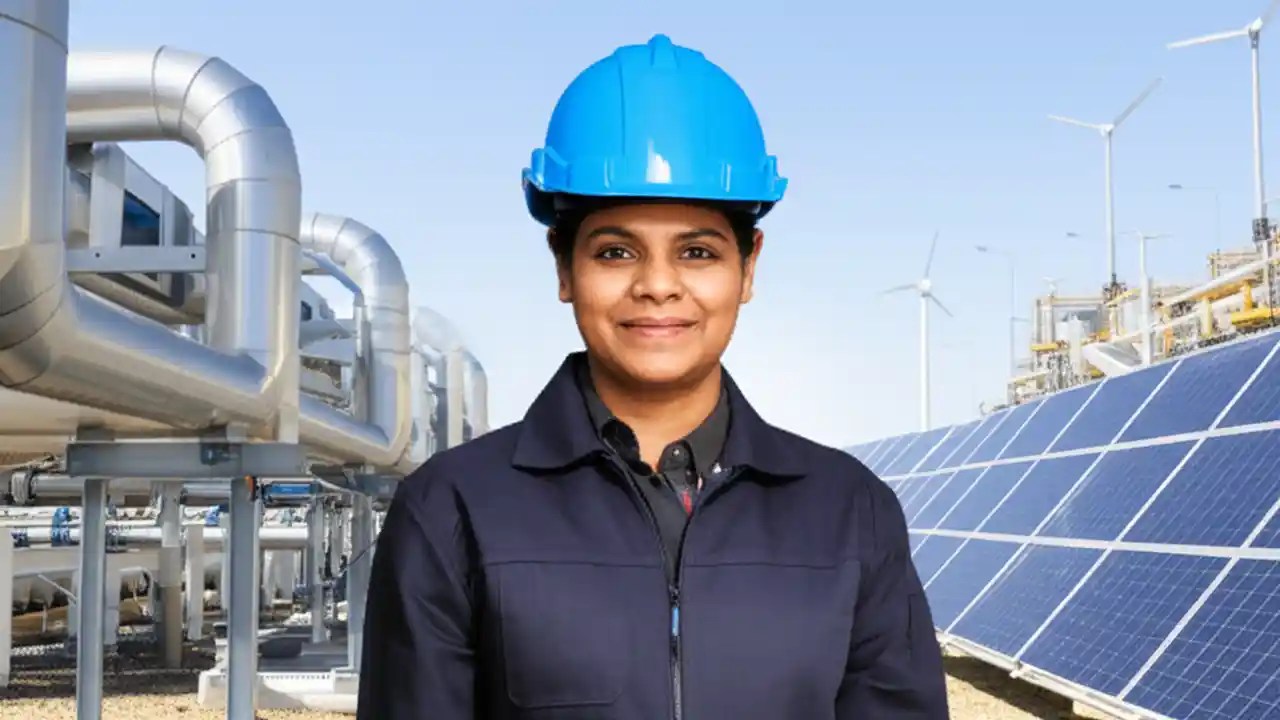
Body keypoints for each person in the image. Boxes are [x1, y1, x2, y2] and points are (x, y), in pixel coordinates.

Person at [357, 34, 950, 719]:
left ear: (748, 267)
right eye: (616, 251)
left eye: (696, 251)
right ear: (563, 267)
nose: (658, 286)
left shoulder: (851, 514)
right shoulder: (452, 511)